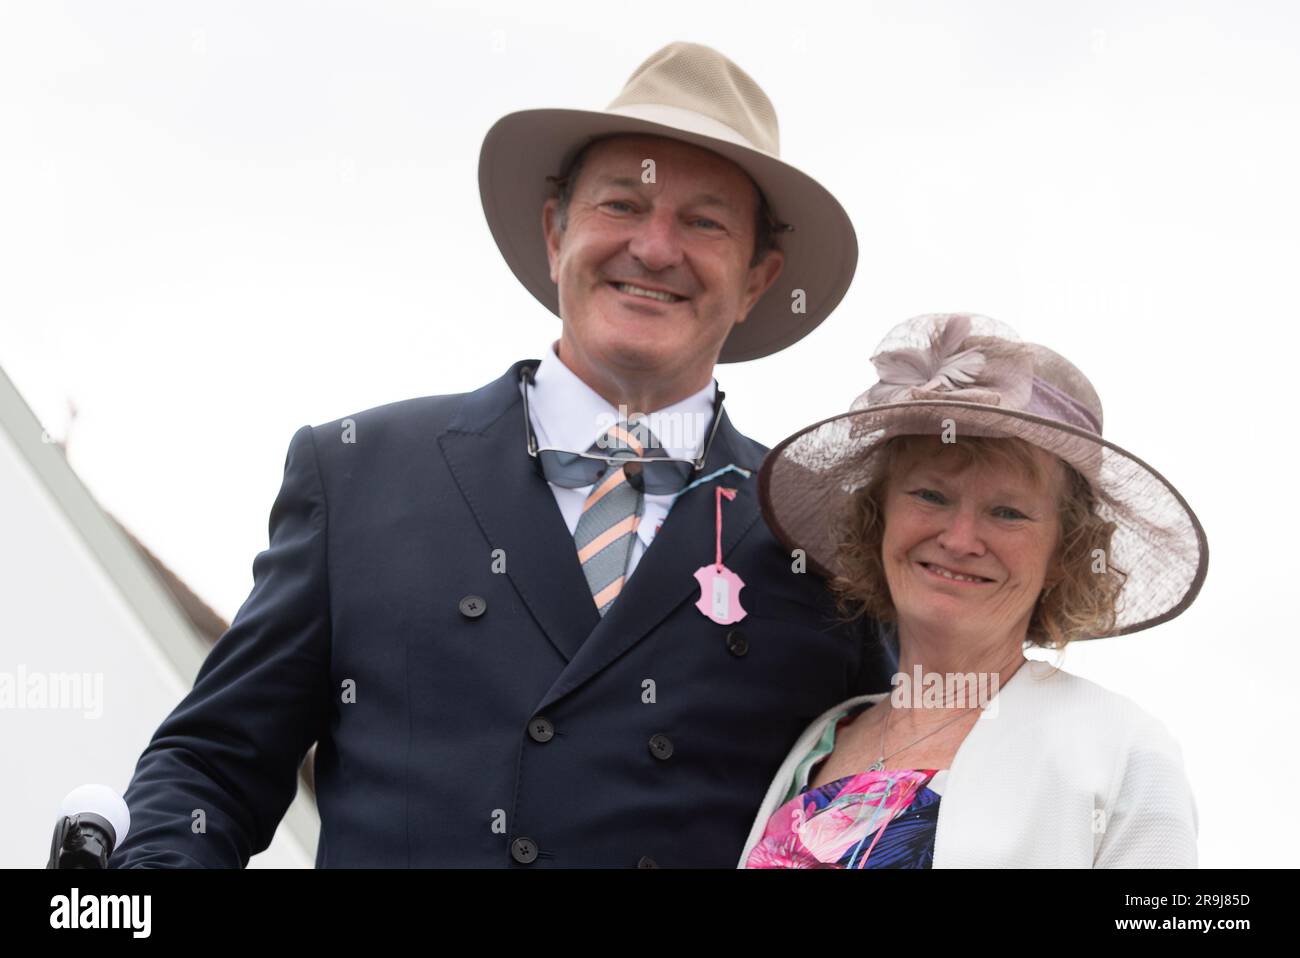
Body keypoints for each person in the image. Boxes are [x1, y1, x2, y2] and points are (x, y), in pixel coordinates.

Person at [108, 41, 893, 868]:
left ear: (758, 279)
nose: (655, 249)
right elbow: (209, 770)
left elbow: (894, 788)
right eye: (622, 205)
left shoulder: (828, 539)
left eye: (703, 223)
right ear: (555, 232)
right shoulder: (356, 473)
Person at [738, 312, 1208, 868]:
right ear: (878, 517)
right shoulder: (822, 739)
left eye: (1007, 512)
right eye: (930, 497)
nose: (959, 540)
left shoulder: (1120, 752)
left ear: (1065, 553)